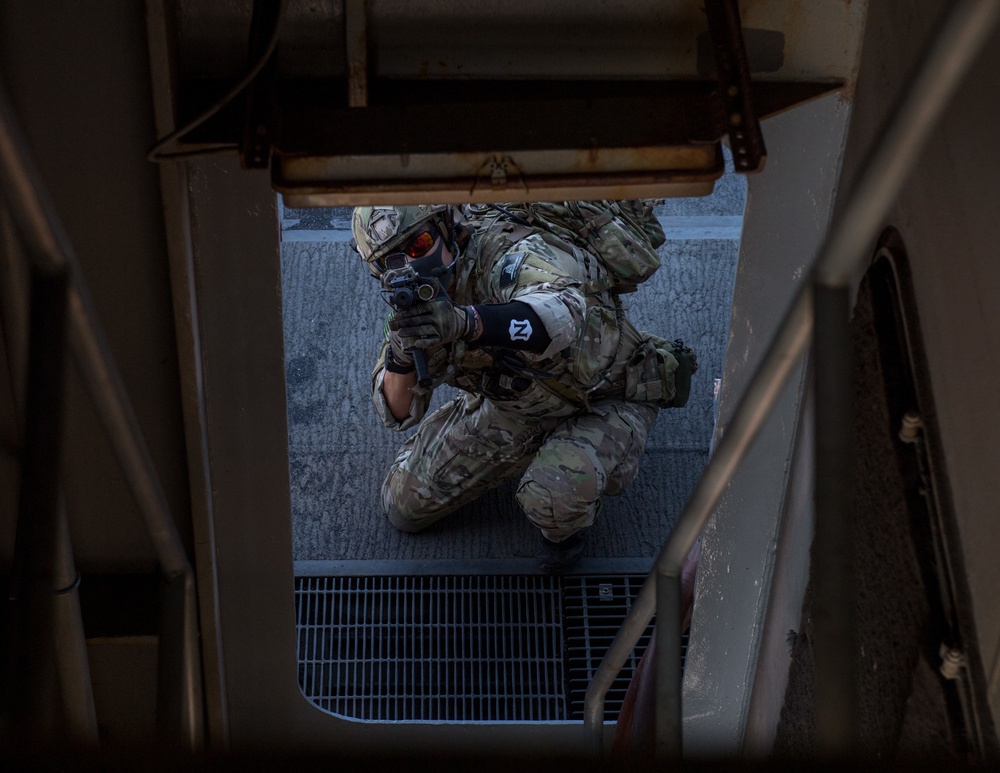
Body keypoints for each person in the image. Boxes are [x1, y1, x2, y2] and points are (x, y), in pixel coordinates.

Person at [351, 201, 694, 573]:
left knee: (555, 492)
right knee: (404, 506)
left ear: (445, 227)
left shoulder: (510, 252)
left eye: (419, 245)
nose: (412, 264)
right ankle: (539, 447)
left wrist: (467, 322)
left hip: (606, 393)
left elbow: (559, 315)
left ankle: (564, 534)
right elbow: (398, 412)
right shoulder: (414, 309)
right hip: (518, 407)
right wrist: (402, 356)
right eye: (392, 261)